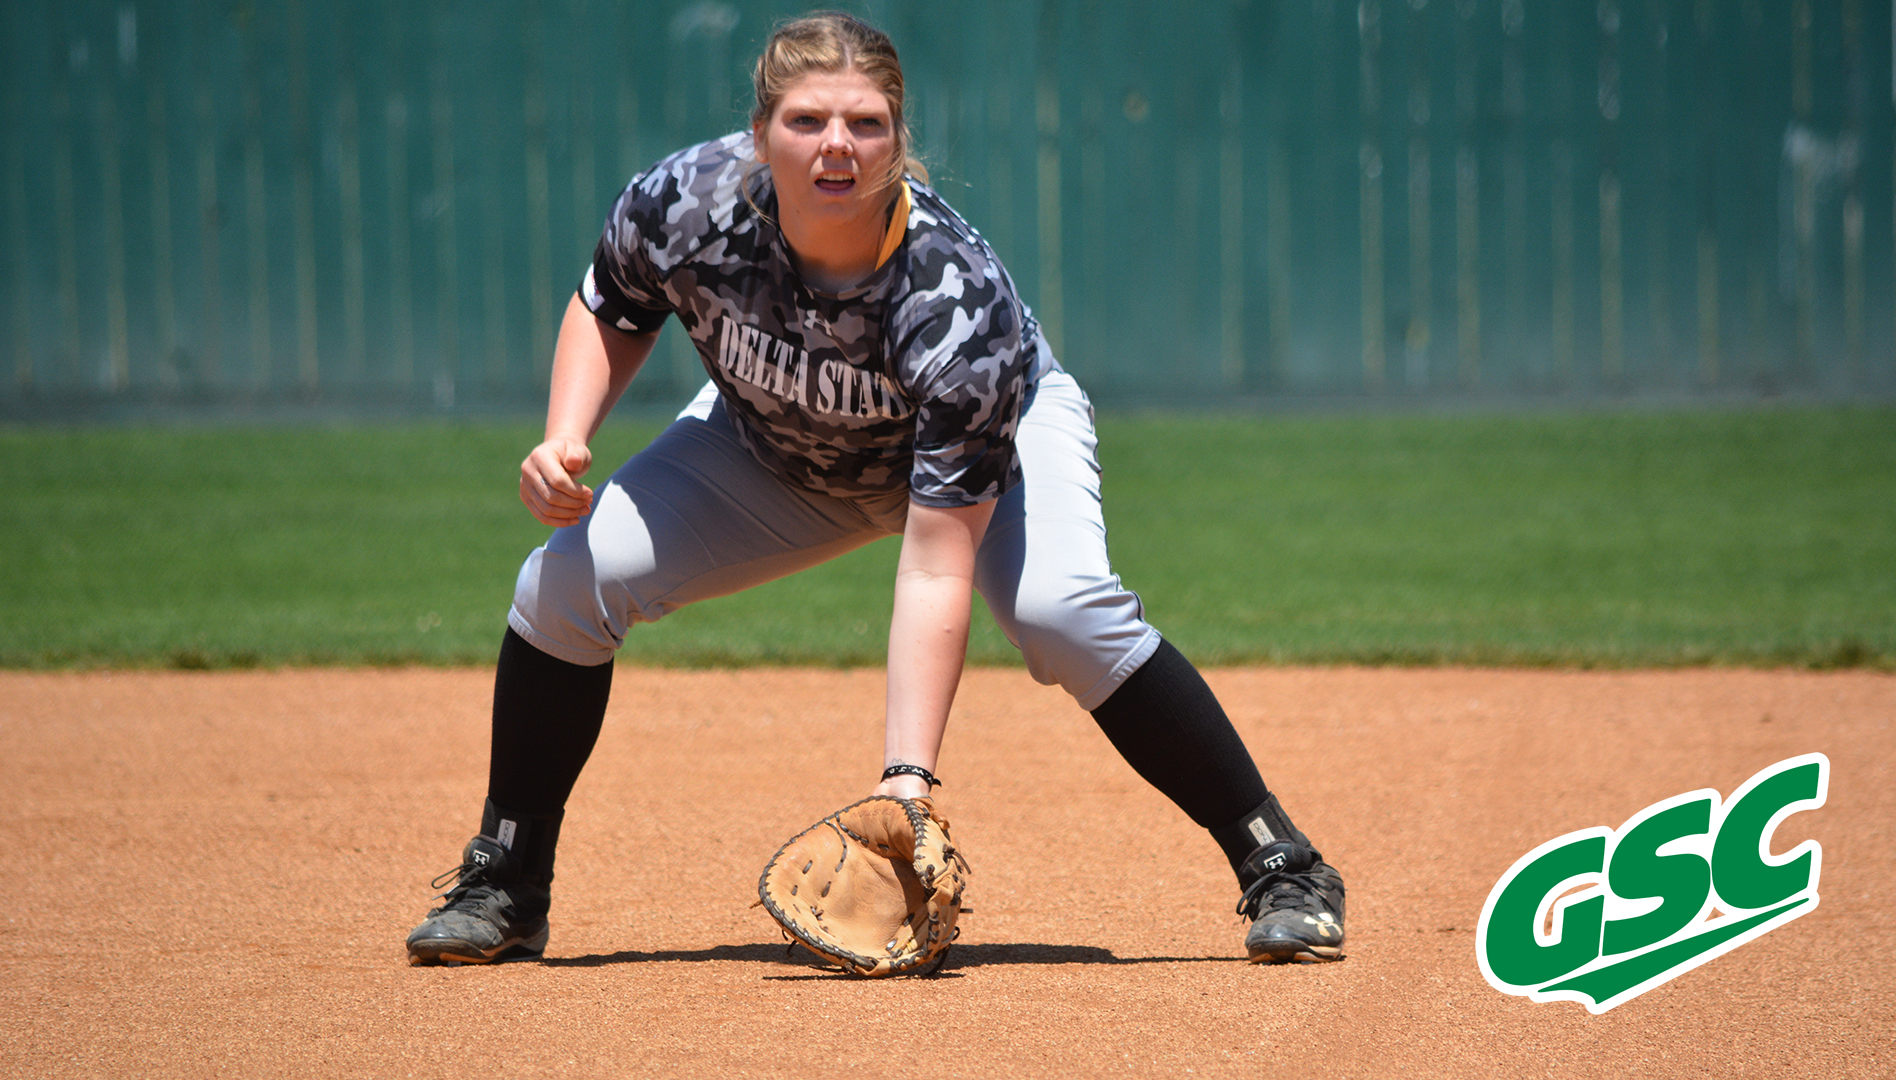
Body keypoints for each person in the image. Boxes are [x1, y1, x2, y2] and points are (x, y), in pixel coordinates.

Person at [404, 11, 1344, 968]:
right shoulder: (687, 202)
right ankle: (508, 883)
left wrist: (907, 784)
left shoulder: (951, 298)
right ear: (761, 131)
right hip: (773, 447)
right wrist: (566, 436)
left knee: (1061, 611)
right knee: (564, 583)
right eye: (808, 120)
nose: (836, 147)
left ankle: (1284, 865)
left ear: (899, 139)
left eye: (865, 123)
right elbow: (613, 302)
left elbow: (937, 562)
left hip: (992, 449)